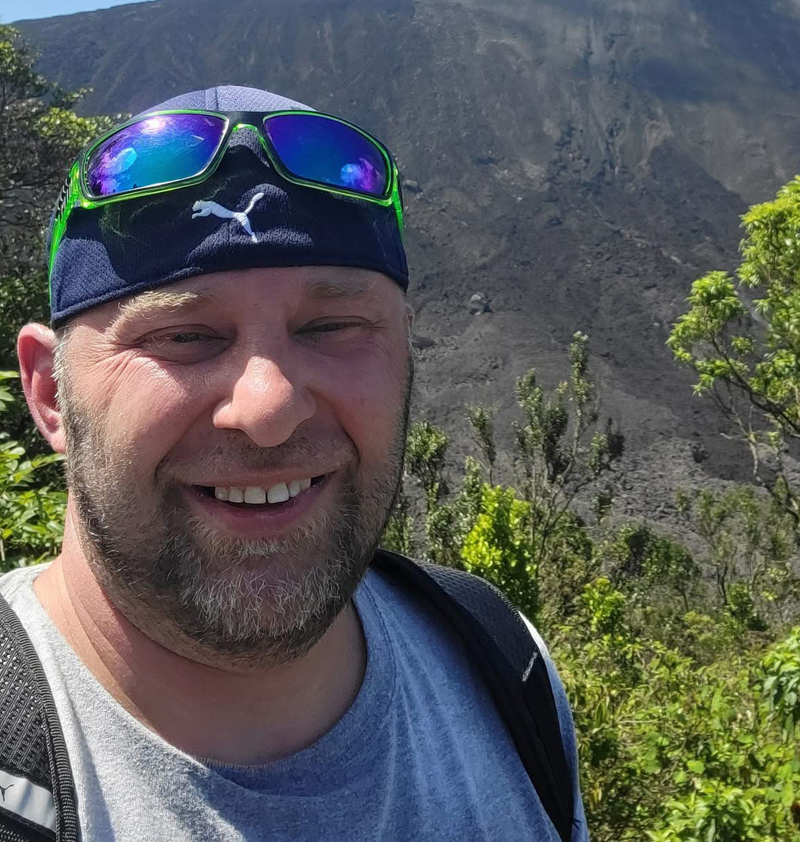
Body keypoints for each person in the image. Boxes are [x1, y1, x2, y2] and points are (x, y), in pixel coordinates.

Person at [2, 84, 589, 840]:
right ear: (51, 394)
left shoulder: (503, 665)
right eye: (185, 336)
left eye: (332, 326)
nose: (269, 409)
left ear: (406, 354)